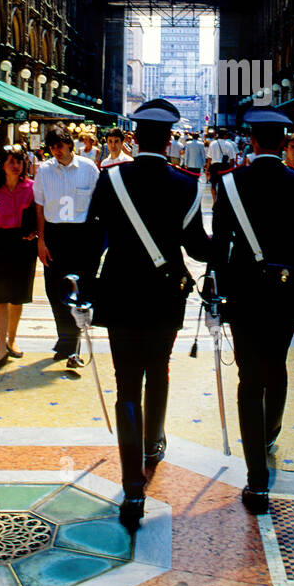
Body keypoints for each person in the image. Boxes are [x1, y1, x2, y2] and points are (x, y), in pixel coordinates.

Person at [82, 99, 210, 531]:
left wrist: (83, 289)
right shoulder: (187, 184)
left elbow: (91, 239)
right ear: (171, 139)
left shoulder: (111, 178)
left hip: (118, 290)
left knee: (125, 383)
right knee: (159, 368)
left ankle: (132, 486)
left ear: (134, 139)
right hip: (164, 293)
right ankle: (154, 444)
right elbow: (197, 248)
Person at [211, 105, 294, 515]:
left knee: (249, 378)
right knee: (277, 365)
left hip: (244, 293)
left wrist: (214, 295)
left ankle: (256, 481)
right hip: (286, 293)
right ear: (284, 143)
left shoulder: (229, 185)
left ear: (252, 141)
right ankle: (271, 431)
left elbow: (219, 250)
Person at [34, 125, 100, 368]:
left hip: (81, 235)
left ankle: (73, 345)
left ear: (70, 145)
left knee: (79, 289)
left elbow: (98, 203)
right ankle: (65, 337)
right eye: (51, 147)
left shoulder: (88, 169)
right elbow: (39, 206)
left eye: (59, 146)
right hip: (54, 234)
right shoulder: (44, 170)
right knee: (54, 290)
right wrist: (41, 241)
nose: (56, 151)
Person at [0, 145, 39, 370]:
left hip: (24, 244)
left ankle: (12, 339)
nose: (15, 165)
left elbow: (40, 216)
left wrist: (37, 234)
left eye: (19, 161)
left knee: (18, 297)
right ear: (2, 164)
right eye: (11, 161)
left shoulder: (31, 187)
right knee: (0, 298)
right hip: (0, 241)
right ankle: (1, 347)